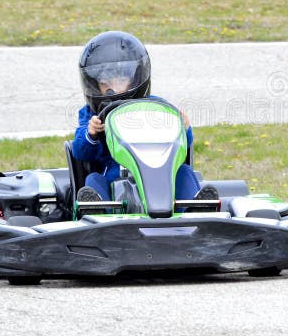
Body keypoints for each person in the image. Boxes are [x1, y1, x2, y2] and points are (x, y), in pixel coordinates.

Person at [71, 31, 217, 205]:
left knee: (184, 172)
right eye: (105, 83)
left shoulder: (156, 106)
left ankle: (195, 207)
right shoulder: (91, 114)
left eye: (121, 80)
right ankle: (98, 208)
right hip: (114, 174)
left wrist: (183, 128)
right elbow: (80, 152)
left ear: (135, 78)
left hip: (158, 170)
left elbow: (182, 145)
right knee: (94, 179)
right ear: (95, 84)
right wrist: (91, 133)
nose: (114, 88)